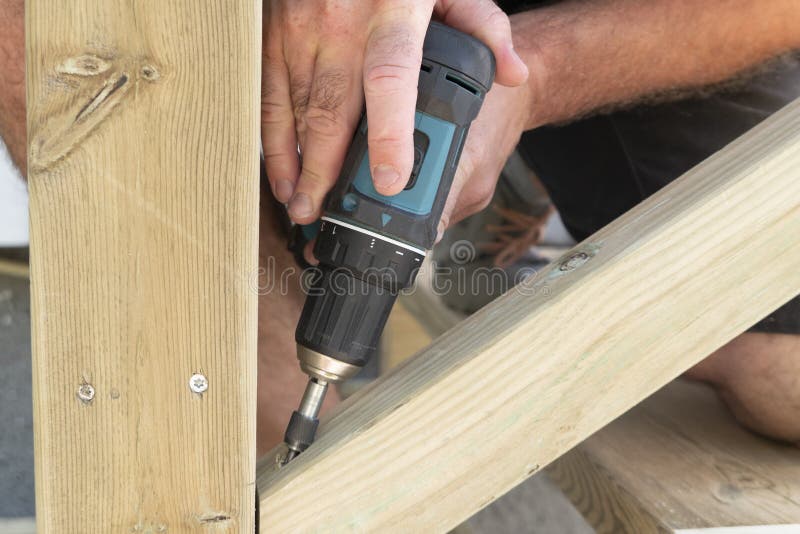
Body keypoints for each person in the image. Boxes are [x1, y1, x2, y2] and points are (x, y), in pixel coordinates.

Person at [1, 1, 798, 455]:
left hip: (582, 19)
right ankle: (278, 450)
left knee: (785, 379)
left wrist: (524, 76)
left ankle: (501, 187)